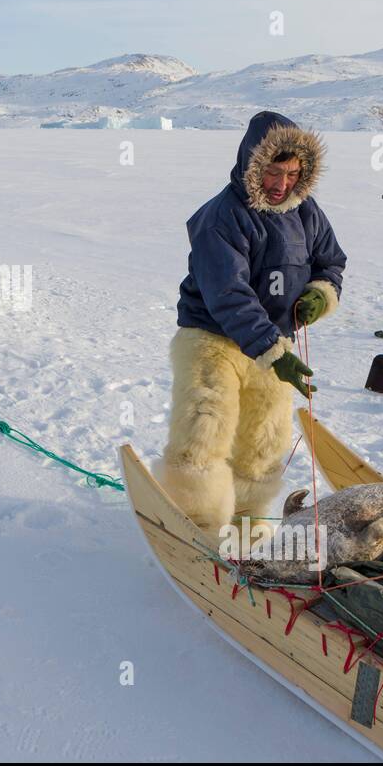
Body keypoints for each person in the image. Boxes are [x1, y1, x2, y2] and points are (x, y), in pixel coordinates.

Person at [155, 110, 347, 542]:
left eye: (292, 173)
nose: (281, 184)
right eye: (273, 172)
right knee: (205, 427)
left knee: (265, 435)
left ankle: (248, 517)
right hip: (212, 338)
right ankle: (197, 522)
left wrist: (320, 293)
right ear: (252, 165)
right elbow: (228, 294)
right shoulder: (221, 217)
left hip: (271, 344)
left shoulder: (307, 212)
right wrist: (272, 349)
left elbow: (331, 261)